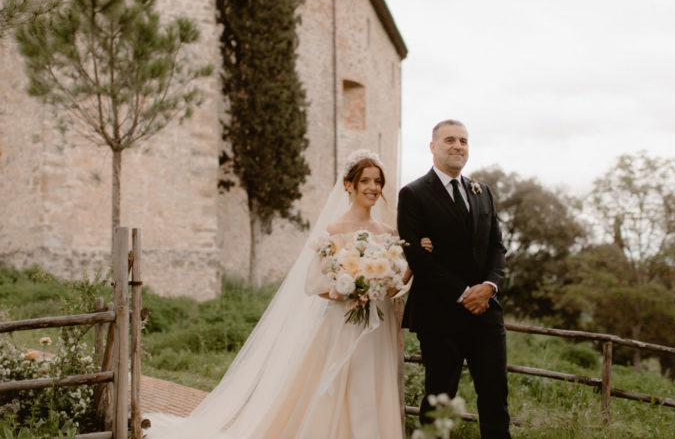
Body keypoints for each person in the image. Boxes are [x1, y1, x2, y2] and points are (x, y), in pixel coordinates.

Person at [146, 150, 413, 439]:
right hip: (345, 325)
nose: (373, 188)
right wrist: (353, 289)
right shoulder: (334, 231)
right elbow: (315, 284)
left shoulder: (388, 233)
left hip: (379, 327)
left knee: (375, 385)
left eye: (378, 182)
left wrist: (396, 275)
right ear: (349, 185)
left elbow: (397, 280)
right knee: (348, 386)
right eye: (365, 181)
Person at [397, 119, 512, 438]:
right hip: (440, 314)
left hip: (486, 312)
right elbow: (416, 256)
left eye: (463, 140)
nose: (458, 146)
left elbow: (497, 246)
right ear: (433, 147)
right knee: (438, 399)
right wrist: (463, 293)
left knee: (495, 399)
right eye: (449, 140)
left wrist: (488, 287)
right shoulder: (413, 194)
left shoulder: (482, 191)